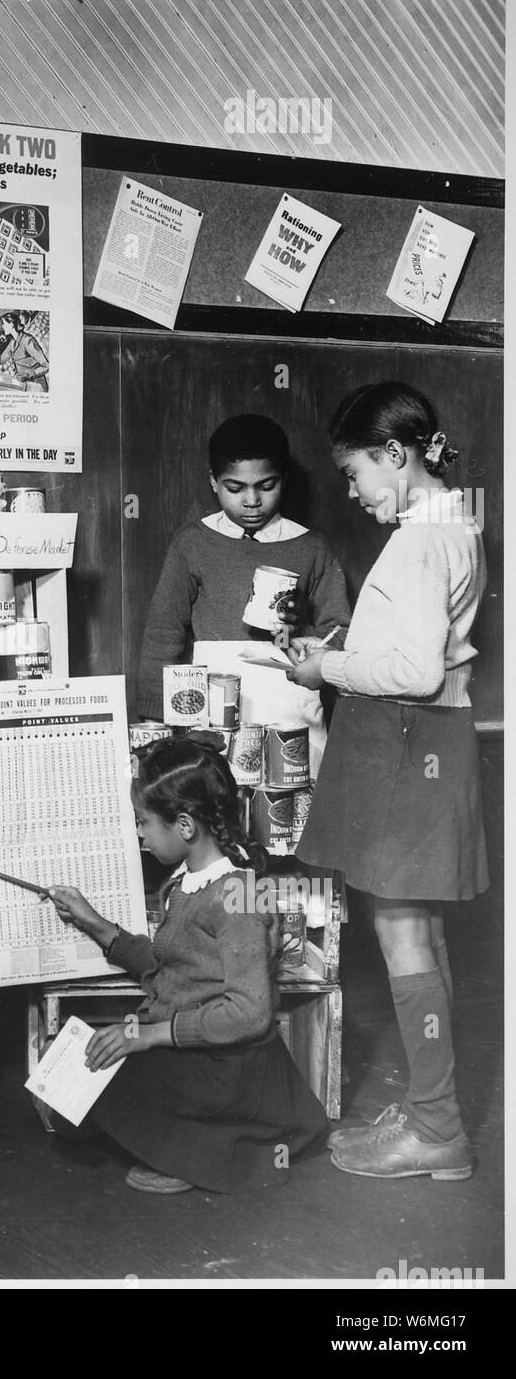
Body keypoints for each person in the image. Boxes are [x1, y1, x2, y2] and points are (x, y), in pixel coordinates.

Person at [288, 382, 486, 1182]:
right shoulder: (452, 522)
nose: (350, 490)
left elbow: (409, 670)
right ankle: (432, 1113)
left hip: (404, 743)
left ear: (395, 456)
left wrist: (321, 663)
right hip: (424, 742)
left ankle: (438, 1130)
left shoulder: (416, 540)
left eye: (354, 472)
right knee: (421, 932)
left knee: (401, 935)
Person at [48, 735, 328, 1194]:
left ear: (183, 825)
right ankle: (178, 1135)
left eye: (143, 822)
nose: (139, 833)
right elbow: (172, 966)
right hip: (193, 1051)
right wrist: (95, 924)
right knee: (66, 1072)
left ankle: (200, 1148)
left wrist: (147, 1036)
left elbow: (249, 1013)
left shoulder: (240, 894)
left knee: (90, 1081)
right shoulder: (188, 881)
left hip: (225, 1068)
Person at [136, 413, 351, 776]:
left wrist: (315, 649)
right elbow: (163, 631)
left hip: (290, 702)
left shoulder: (311, 547)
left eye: (266, 486)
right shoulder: (193, 542)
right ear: (214, 483)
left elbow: (340, 629)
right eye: (235, 489)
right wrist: (157, 714)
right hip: (212, 706)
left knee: (292, 806)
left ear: (283, 479)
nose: (252, 500)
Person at [0, 310, 49, 391]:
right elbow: (0, 359)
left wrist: (28, 375)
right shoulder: (12, 343)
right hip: (25, 385)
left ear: (11, 324)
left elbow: (46, 366)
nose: (2, 327)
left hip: (37, 385)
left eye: (4, 324)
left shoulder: (27, 340)